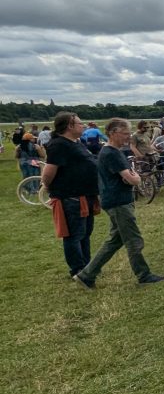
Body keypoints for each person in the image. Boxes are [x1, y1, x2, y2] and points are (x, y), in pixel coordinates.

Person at [72, 118, 164, 288]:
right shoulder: (111, 153)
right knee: (134, 240)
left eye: (129, 133)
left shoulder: (112, 151)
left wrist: (132, 177)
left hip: (116, 200)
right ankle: (143, 275)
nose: (128, 136)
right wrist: (136, 178)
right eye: (125, 133)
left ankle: (86, 275)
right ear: (113, 133)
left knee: (114, 241)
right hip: (118, 202)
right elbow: (132, 179)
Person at [41, 112, 100, 277]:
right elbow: (49, 172)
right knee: (75, 235)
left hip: (86, 195)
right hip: (71, 198)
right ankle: (78, 269)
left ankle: (87, 267)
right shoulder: (59, 145)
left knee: (85, 234)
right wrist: (47, 186)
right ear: (69, 126)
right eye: (80, 123)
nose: (83, 125)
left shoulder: (76, 143)